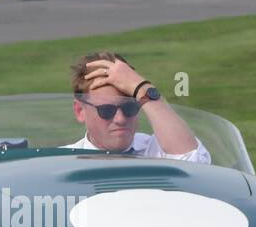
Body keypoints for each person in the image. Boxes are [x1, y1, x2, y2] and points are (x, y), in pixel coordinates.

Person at [64, 52, 210, 163]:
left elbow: (196, 162)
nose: (120, 119)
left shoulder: (156, 152)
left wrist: (142, 88)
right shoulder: (61, 161)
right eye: (106, 110)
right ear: (80, 111)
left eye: (129, 107)